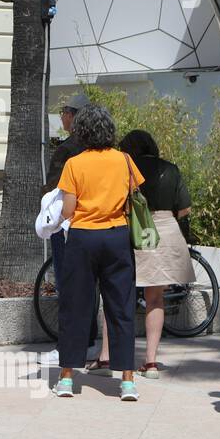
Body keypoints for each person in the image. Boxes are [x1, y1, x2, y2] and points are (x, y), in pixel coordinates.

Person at [53, 104, 143, 401]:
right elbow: (134, 197)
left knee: (75, 305)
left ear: (81, 131)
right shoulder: (125, 161)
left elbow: (68, 209)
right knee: (121, 305)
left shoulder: (74, 164)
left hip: (82, 238)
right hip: (117, 236)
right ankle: (127, 381)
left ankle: (67, 378)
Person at [90, 130, 194, 378]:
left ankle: (105, 359)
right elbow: (185, 207)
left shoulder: (125, 168)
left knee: (114, 294)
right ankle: (151, 363)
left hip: (129, 229)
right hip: (164, 231)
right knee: (155, 297)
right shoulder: (170, 169)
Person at [38, 92, 101, 367]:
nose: (61, 116)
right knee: (91, 289)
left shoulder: (67, 150)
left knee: (69, 288)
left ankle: (67, 347)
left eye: (65, 111)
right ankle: (87, 341)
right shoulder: (106, 151)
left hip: (69, 226)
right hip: (100, 226)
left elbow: (56, 190)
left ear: (75, 116)